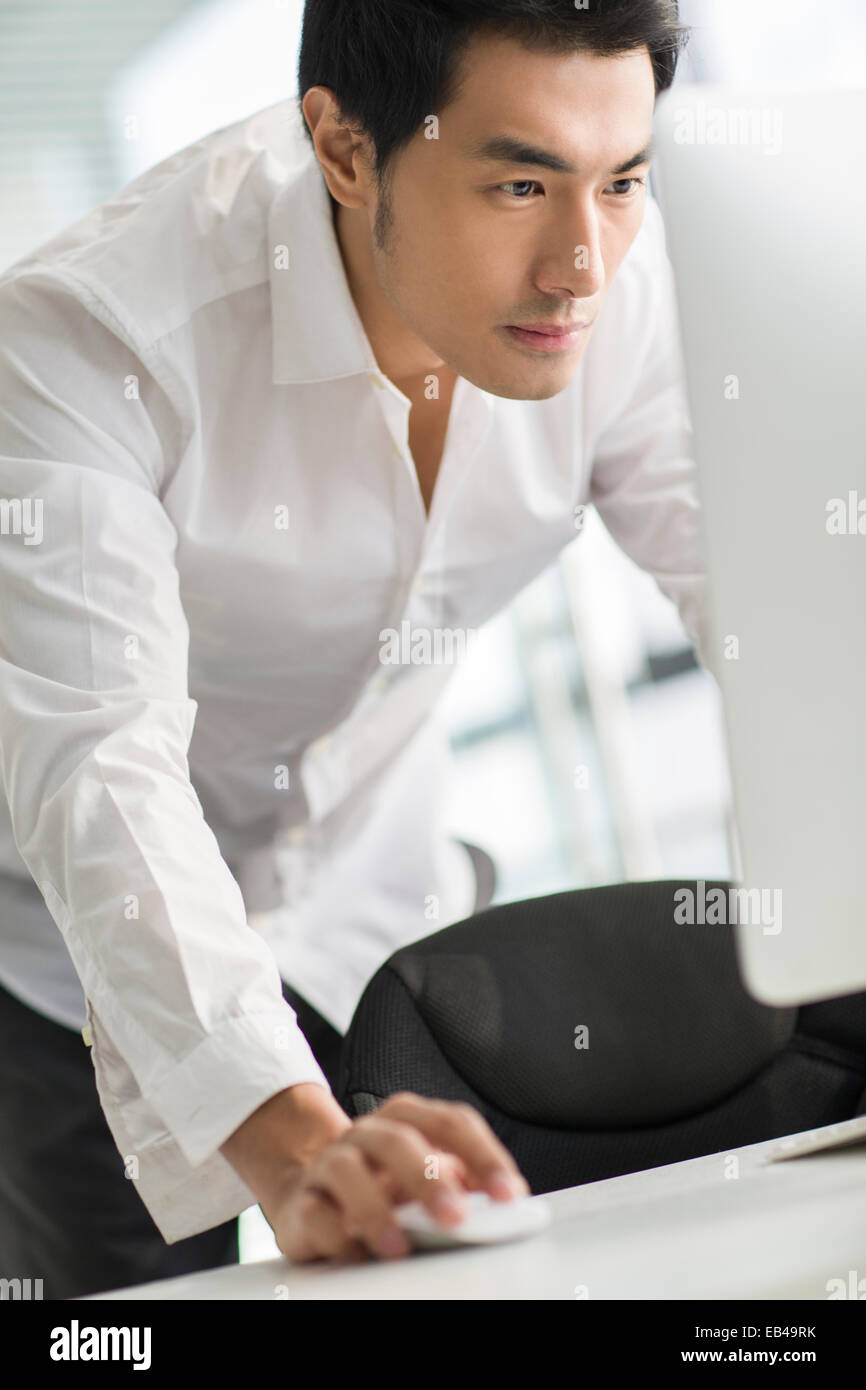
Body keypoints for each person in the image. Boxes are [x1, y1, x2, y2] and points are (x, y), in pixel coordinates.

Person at [0, 0, 704, 1298]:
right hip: (83, 961)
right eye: (516, 182)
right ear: (340, 148)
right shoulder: (85, 342)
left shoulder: (619, 290)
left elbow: (770, 612)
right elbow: (102, 770)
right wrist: (297, 1146)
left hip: (374, 900)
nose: (580, 262)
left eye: (623, 180)